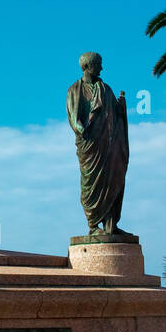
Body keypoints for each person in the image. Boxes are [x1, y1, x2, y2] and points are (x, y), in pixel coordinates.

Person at [65, 52, 129, 235]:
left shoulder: (105, 89)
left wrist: (122, 109)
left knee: (111, 180)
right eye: (98, 64)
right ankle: (93, 226)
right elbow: (73, 116)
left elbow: (115, 115)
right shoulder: (74, 90)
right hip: (90, 146)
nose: (101, 68)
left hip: (109, 146)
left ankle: (111, 225)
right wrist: (79, 127)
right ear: (87, 66)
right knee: (91, 183)